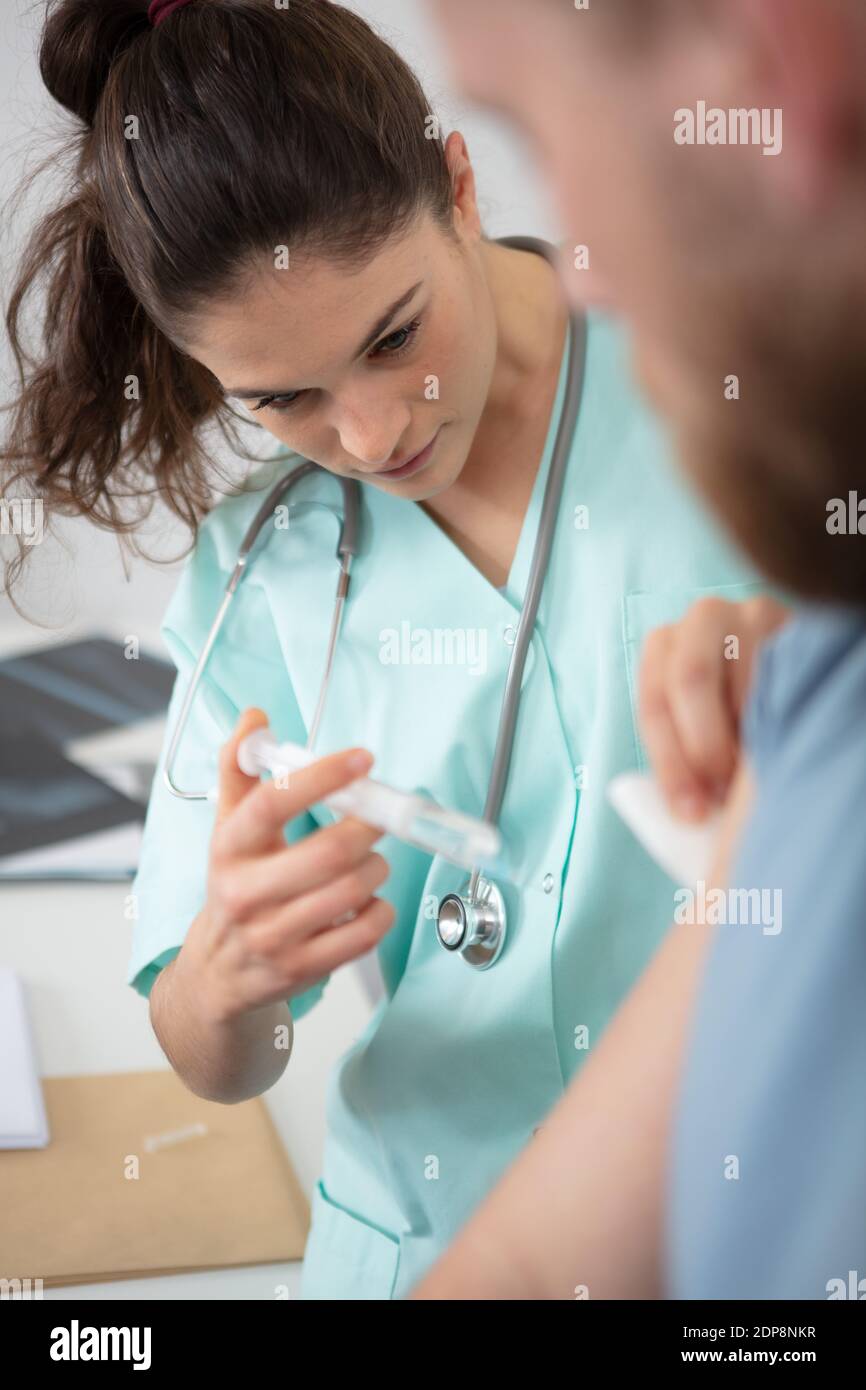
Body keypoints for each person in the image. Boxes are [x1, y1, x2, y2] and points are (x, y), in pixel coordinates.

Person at [2, 0, 780, 1300]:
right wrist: (231, 973)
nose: (369, 437)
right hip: (417, 1240)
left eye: (393, 337)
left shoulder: (737, 393)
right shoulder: (263, 564)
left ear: (458, 186)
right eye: (282, 398)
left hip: (737, 1225)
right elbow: (212, 1055)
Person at [414, 0, 866, 1297]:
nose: (585, 270)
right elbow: (533, 1261)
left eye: (541, 134)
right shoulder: (817, 667)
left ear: (766, 59)